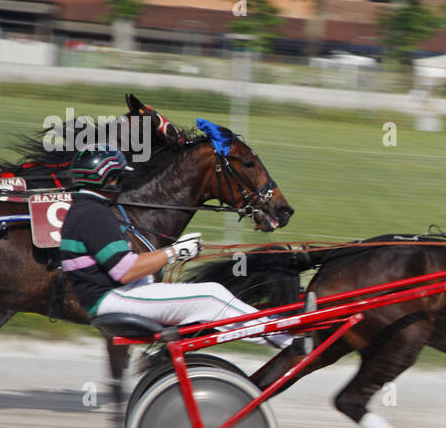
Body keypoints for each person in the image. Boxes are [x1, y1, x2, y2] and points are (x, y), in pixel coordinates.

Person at [59, 145, 291, 349]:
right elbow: (125, 270)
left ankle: (276, 325)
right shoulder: (93, 214)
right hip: (111, 299)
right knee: (211, 296)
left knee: (198, 294)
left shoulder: (86, 209)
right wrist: (174, 251)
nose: (120, 184)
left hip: (111, 295)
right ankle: (285, 337)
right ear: (103, 178)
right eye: (116, 178)